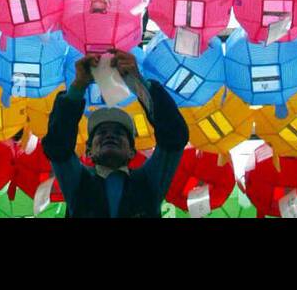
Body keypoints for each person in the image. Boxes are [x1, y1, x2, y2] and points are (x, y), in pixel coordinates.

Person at [41, 48, 189, 219]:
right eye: (101, 132)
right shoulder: (79, 182)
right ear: (89, 151)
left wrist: (136, 82)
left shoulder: (148, 181)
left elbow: (174, 136)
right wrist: (78, 86)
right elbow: (57, 146)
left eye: (119, 133)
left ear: (132, 151)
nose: (109, 135)